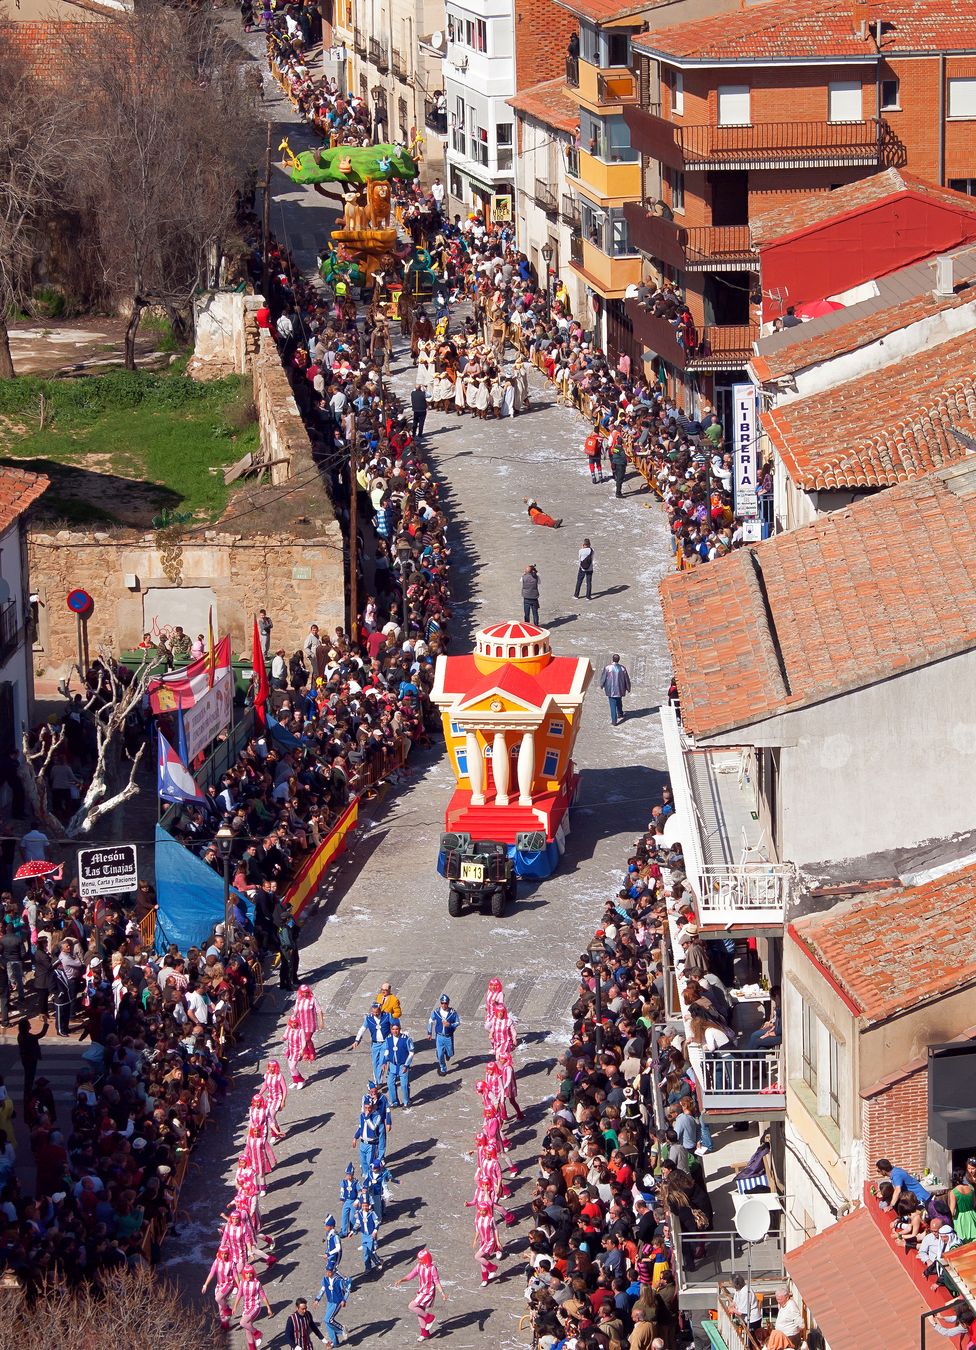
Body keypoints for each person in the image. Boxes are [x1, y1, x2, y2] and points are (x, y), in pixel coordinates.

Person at [395, 1246, 447, 1342]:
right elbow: (411, 1275)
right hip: (421, 1292)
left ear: (425, 1259)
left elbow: (436, 1281)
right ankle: (425, 1334)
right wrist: (402, 1280)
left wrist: (442, 1293)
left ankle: (430, 1318)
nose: (418, 1261)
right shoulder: (419, 1266)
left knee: (411, 1306)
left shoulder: (432, 1268)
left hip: (428, 1293)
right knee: (420, 1312)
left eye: (420, 1259)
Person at [352, 1001, 393, 1082]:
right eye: (373, 1012)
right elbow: (362, 1029)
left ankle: (378, 1082)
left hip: (385, 1043)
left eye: (377, 1012)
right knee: (375, 1063)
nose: (375, 1014)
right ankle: (377, 1080)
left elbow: (395, 1026)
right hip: (375, 1044)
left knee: (382, 1061)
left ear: (380, 1010)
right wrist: (357, 1040)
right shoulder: (369, 1019)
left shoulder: (387, 1016)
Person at [314, 1261, 349, 1347]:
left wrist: (344, 1300)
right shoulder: (325, 1279)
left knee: (328, 1319)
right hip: (329, 1301)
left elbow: (347, 1290)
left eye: (329, 1272)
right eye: (326, 1271)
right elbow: (323, 1289)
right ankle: (335, 1342)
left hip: (337, 1302)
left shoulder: (339, 1280)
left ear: (333, 1271)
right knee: (327, 1323)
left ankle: (342, 1329)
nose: (327, 1273)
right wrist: (317, 1299)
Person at [427, 993, 461, 1075]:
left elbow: (458, 1022)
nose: (444, 1005)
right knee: (440, 1054)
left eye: (445, 1003)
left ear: (448, 1003)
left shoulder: (453, 1012)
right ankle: (443, 1068)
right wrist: (429, 1033)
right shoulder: (436, 1012)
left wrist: (450, 1025)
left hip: (448, 1036)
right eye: (442, 1003)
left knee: (450, 1053)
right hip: (439, 1036)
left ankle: (447, 1053)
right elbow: (430, 1021)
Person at [384, 1019, 414, 1109]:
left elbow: (411, 1052)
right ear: (391, 1029)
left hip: (402, 1066)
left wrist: (406, 1065)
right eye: (393, 1029)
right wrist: (384, 1062)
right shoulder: (388, 1039)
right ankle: (394, 1102)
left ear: (400, 1029)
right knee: (390, 1084)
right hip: (392, 1065)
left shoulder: (406, 1039)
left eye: (396, 1029)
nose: (395, 1031)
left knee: (404, 1085)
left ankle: (406, 1101)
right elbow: (386, 1051)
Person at [17, 1015, 46, 1101]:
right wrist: (46, 1023)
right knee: (29, 1077)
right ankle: (28, 1094)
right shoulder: (28, 1037)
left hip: (26, 1059)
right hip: (30, 1059)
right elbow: (41, 1034)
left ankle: (27, 1093)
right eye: (29, 1025)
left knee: (28, 1076)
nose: (30, 1026)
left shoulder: (21, 1035)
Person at [600, 654, 632, 726]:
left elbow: (603, 677)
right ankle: (620, 713)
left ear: (612, 659)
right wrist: (628, 687)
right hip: (620, 688)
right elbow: (626, 679)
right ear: (619, 659)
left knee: (612, 705)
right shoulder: (622, 668)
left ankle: (614, 720)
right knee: (619, 701)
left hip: (611, 689)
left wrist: (602, 685)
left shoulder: (608, 668)